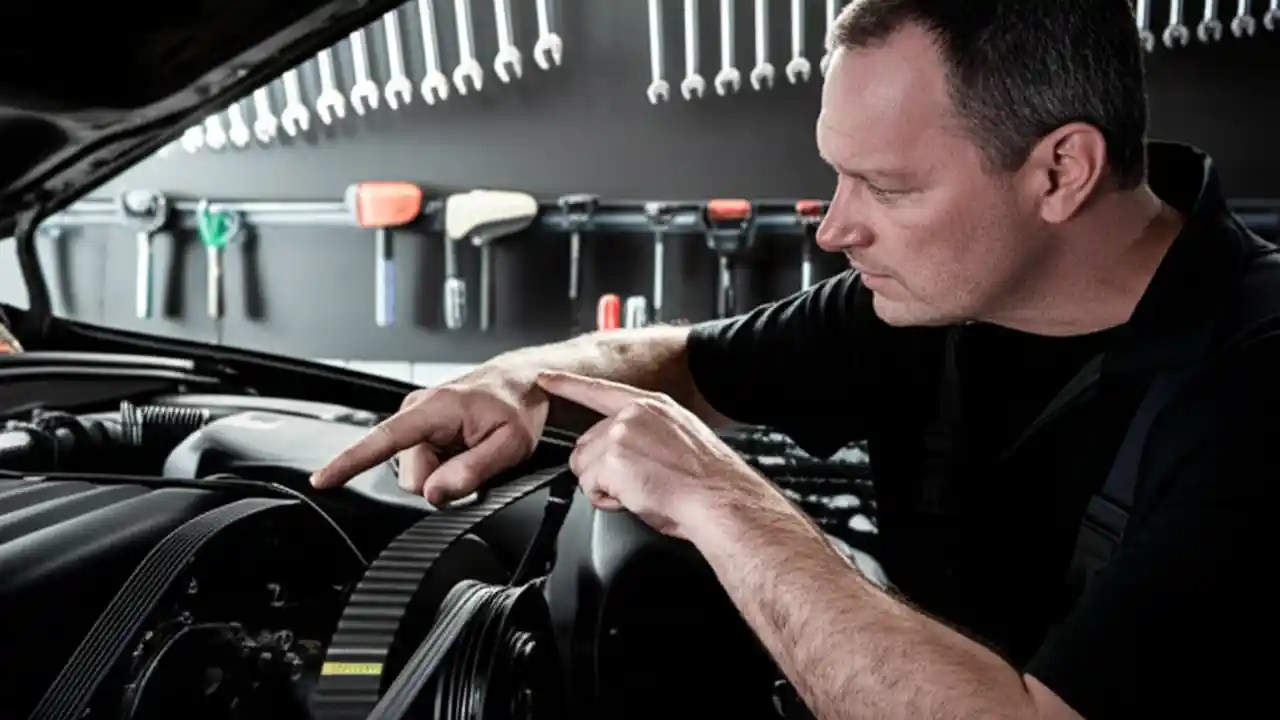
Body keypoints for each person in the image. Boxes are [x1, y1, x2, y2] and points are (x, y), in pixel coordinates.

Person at [312, 1, 1278, 717]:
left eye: (885, 187)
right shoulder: (933, 302)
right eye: (835, 173)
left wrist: (722, 500)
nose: (834, 228)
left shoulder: (1252, 386)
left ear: (1060, 171)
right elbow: (688, 362)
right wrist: (521, 383)